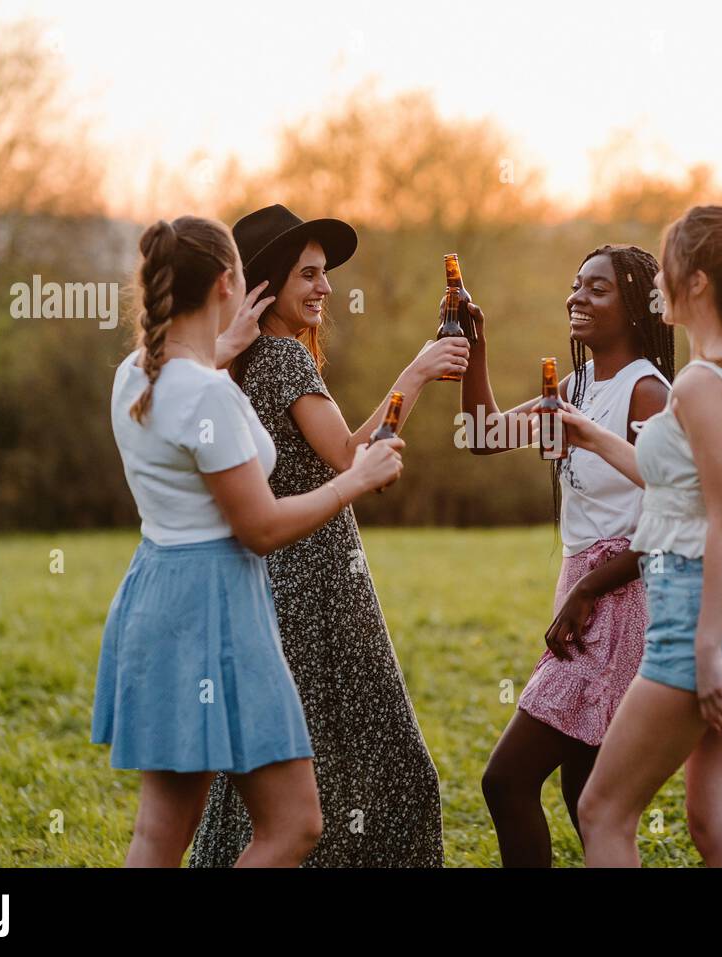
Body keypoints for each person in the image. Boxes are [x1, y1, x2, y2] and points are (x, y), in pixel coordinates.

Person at [91, 215, 404, 867]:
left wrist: (221, 348)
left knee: (160, 833)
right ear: (230, 281)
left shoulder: (134, 375)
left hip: (155, 594)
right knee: (293, 823)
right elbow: (259, 527)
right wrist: (357, 479)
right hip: (217, 610)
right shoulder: (208, 393)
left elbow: (184, 389)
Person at [189, 205, 464, 867]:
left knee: (309, 757)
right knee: (389, 760)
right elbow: (348, 453)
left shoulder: (258, 360)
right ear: (267, 286)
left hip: (293, 580)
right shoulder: (282, 358)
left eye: (326, 274)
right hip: (315, 585)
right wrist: (418, 370)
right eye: (308, 274)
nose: (325, 287)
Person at [562, 205, 722, 867]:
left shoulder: (698, 383)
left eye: (666, 266)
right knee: (719, 828)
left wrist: (705, 647)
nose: (655, 281)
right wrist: (589, 432)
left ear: (695, 281)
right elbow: (674, 484)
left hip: (704, 612)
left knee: (603, 812)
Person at [460, 244, 673, 866]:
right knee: (588, 795)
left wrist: (589, 590)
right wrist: (476, 343)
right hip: (582, 588)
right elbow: (482, 435)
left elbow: (673, 514)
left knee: (507, 780)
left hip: (618, 598)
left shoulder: (647, 394)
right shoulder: (577, 385)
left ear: (636, 308)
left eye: (597, 289)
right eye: (576, 285)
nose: (576, 297)